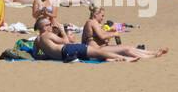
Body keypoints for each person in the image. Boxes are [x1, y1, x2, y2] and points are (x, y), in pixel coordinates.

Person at [33, 16, 166, 62]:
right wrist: (62, 32)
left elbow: (36, 56)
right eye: (48, 24)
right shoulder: (48, 35)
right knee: (100, 53)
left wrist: (48, 56)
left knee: (101, 54)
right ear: (43, 27)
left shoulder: (37, 40)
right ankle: (126, 59)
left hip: (63, 55)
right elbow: (66, 43)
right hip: (68, 49)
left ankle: (144, 55)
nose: (51, 25)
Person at [81, 4, 167, 57]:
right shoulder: (92, 22)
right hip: (96, 51)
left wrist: (109, 34)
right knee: (126, 49)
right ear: (96, 14)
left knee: (129, 48)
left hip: (99, 49)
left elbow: (101, 37)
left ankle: (153, 53)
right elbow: (102, 36)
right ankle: (152, 56)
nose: (103, 18)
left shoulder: (93, 23)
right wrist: (113, 34)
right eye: (102, 16)